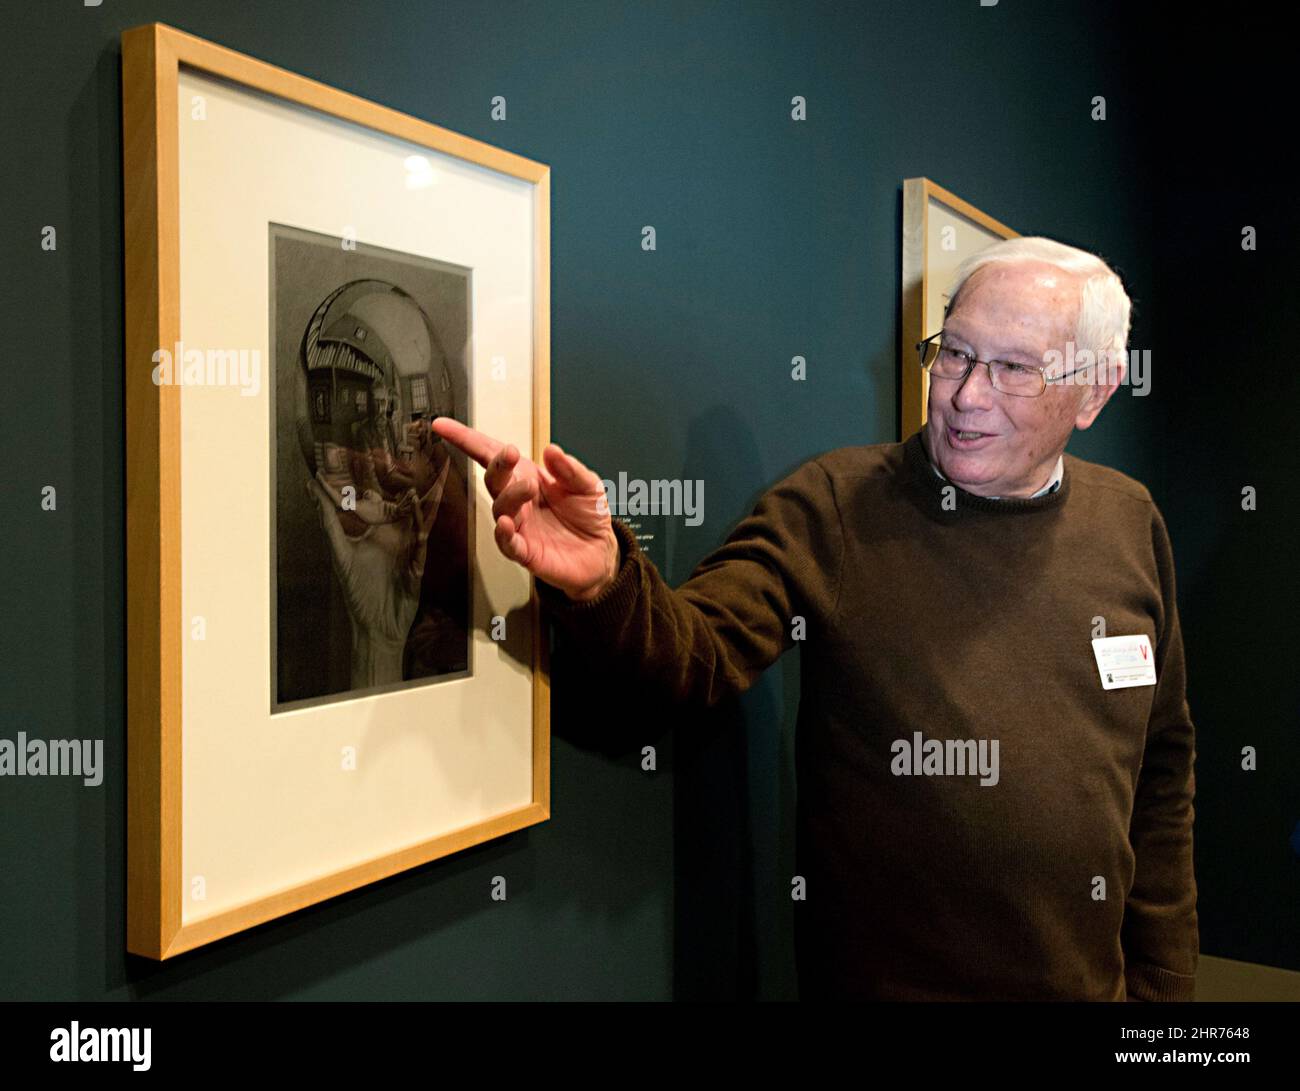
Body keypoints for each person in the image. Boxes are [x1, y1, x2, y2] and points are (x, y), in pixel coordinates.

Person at [431, 236, 1198, 1001]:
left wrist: (1162, 990)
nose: (966, 395)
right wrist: (605, 582)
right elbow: (697, 652)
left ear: (1096, 389)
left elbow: (1161, 767)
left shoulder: (1130, 522)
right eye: (956, 353)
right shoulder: (836, 506)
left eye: (1014, 369)